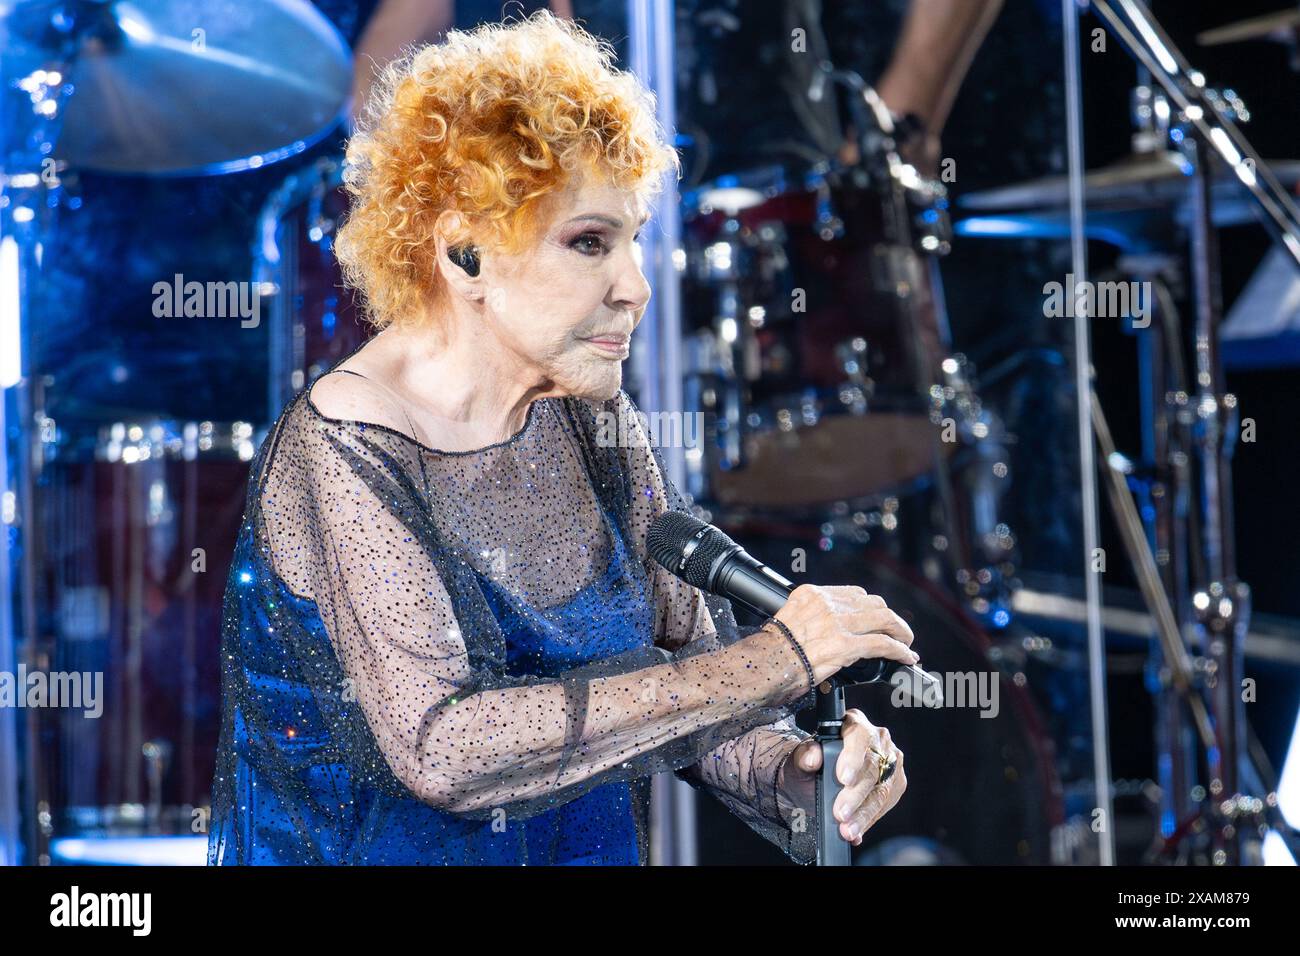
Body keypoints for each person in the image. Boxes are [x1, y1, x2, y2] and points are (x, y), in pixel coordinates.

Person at [207, 10, 916, 866]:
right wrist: (775, 663)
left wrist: (800, 775)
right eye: (589, 243)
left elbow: (689, 682)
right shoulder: (348, 447)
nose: (636, 287)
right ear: (463, 251)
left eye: (634, 241)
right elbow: (445, 749)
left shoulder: (591, 417)